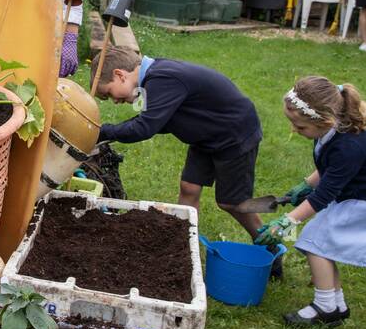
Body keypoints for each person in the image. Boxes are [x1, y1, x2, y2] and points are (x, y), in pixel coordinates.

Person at [255, 77, 366, 328]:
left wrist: (287, 221)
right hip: (359, 195)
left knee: (315, 242)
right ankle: (337, 304)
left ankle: (325, 308)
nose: (294, 130)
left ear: (325, 120)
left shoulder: (349, 145)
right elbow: (329, 168)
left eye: (300, 127)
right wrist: (305, 184)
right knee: (323, 242)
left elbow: (323, 196)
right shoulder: (332, 130)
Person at [89, 45, 268, 249]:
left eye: (109, 93)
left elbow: (144, 128)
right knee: (189, 187)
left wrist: (102, 132)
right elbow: (154, 122)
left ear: (120, 75)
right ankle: (182, 243)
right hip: (205, 135)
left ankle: (267, 242)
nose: (115, 101)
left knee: (232, 202)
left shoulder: (162, 80)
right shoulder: (151, 80)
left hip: (233, 135)